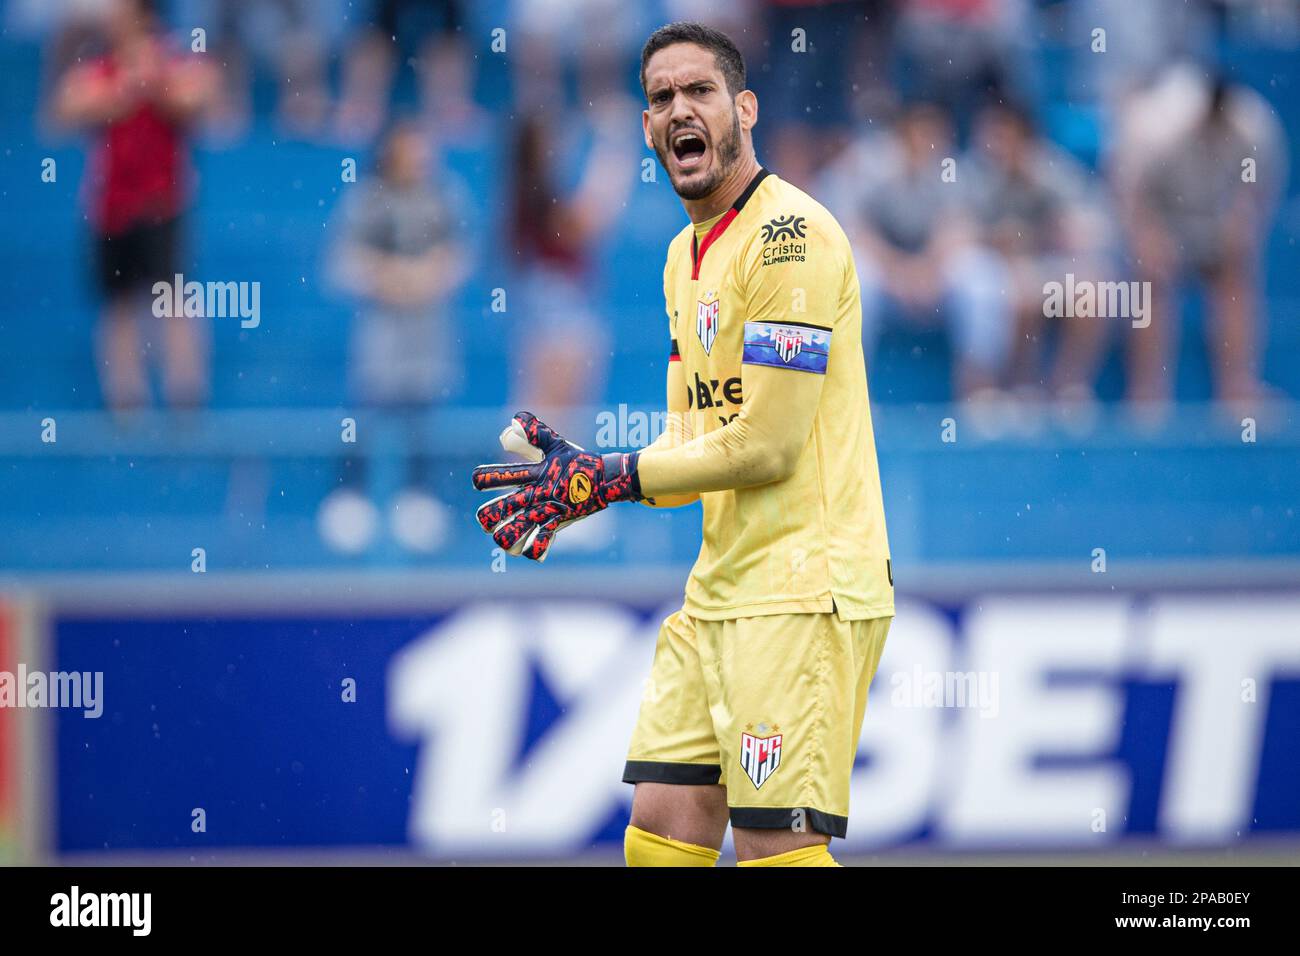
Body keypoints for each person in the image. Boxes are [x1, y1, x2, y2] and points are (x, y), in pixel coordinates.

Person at [471, 22, 894, 867]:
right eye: (660, 97)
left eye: (699, 91)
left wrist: (616, 476)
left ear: (744, 109)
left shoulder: (791, 239)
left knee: (776, 851)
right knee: (663, 834)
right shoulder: (681, 258)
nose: (678, 109)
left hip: (803, 589)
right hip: (721, 590)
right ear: (646, 128)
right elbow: (693, 445)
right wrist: (581, 482)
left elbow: (767, 445)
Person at [53, 0, 218, 412]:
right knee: (119, 304)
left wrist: (152, 80)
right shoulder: (102, 67)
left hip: (162, 204)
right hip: (111, 206)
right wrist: (128, 86)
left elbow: (196, 98)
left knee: (173, 299)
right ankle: (126, 399)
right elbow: (68, 107)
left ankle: (186, 395)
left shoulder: (173, 60)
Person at [319, 121, 471, 554]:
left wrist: (427, 277)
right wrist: (389, 276)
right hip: (382, 327)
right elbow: (342, 261)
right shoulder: (368, 199)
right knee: (369, 408)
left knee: (421, 410)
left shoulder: (444, 194)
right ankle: (351, 494)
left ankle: (419, 495)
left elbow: (461, 253)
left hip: (428, 326)